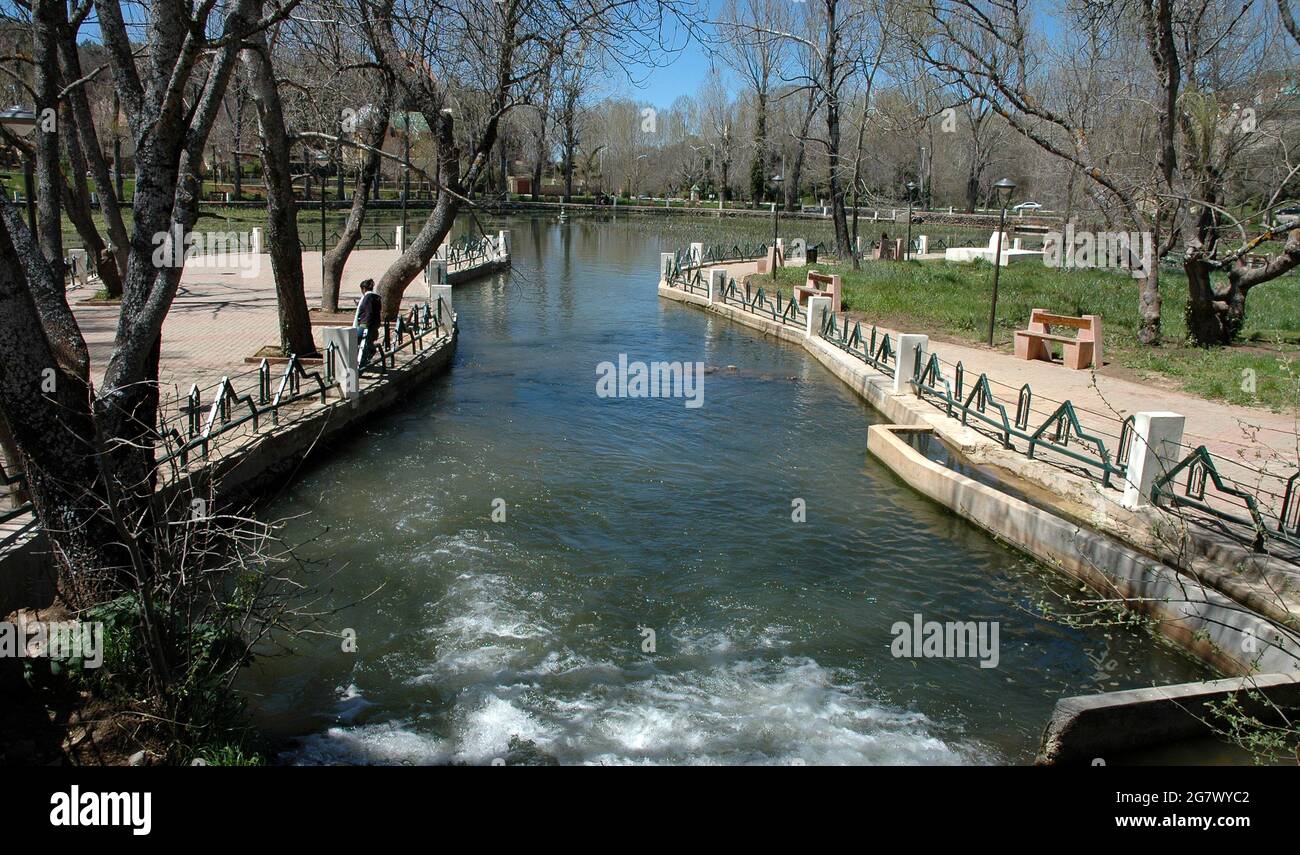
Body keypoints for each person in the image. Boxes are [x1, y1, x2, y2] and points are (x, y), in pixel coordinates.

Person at [354, 278, 382, 368]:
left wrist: (365, 324)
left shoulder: (367, 298)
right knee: (366, 341)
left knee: (354, 340)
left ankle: (360, 362)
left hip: (365, 325)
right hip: (372, 325)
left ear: (363, 289)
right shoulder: (375, 298)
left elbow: (369, 312)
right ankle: (366, 356)